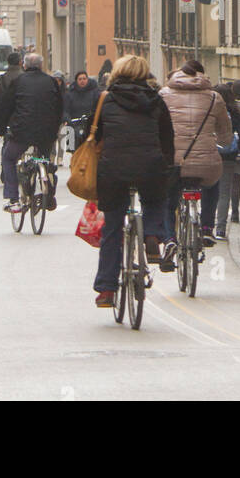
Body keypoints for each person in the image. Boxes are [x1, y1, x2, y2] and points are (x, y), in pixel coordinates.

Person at [92, 55, 175, 308]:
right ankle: (151, 234)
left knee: (112, 230)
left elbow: (92, 136)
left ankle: (106, 289)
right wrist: (166, 165)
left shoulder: (105, 99)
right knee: (155, 199)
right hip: (148, 165)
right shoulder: (156, 100)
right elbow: (167, 139)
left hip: (114, 169)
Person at [160, 59, 232, 252]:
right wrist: (224, 142)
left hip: (173, 161)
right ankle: (208, 226)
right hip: (206, 163)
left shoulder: (164, 95)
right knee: (212, 183)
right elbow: (225, 134)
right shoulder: (214, 97)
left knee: (168, 199)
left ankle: (169, 239)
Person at [0, 53, 64, 213]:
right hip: (46, 133)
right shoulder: (51, 81)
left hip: (22, 132)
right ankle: (49, 193)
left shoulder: (18, 82)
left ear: (24, 66)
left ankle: (13, 199)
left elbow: (6, 107)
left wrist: (1, 129)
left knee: (9, 157)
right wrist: (55, 128)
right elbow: (60, 106)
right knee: (44, 159)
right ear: (41, 66)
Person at [214, 83, 240, 240]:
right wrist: (236, 149)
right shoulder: (235, 112)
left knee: (208, 191)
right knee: (224, 192)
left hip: (208, 154)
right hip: (227, 156)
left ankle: (204, 225)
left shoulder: (208, 111)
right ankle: (220, 228)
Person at [0, 52, 23, 136]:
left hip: (6, 118)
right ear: (20, 62)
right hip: (23, 116)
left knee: (8, 142)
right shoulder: (26, 78)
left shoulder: (2, 79)